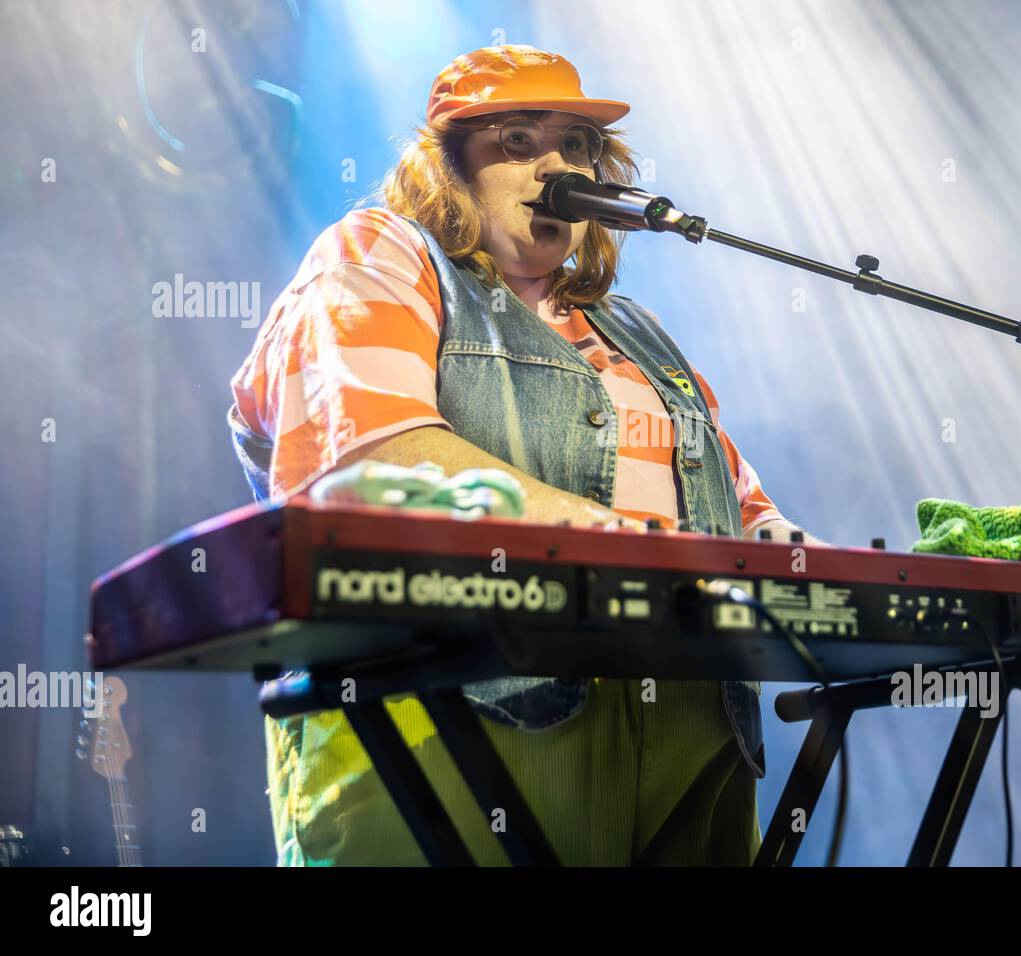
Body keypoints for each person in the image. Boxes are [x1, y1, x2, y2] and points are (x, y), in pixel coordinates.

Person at [228, 44, 817, 866]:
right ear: (448, 164)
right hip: (452, 706)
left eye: (576, 145)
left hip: (691, 711)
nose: (554, 165)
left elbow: (738, 505)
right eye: (516, 139)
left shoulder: (634, 328)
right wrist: (628, 544)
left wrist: (819, 569)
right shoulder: (381, 254)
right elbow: (378, 454)